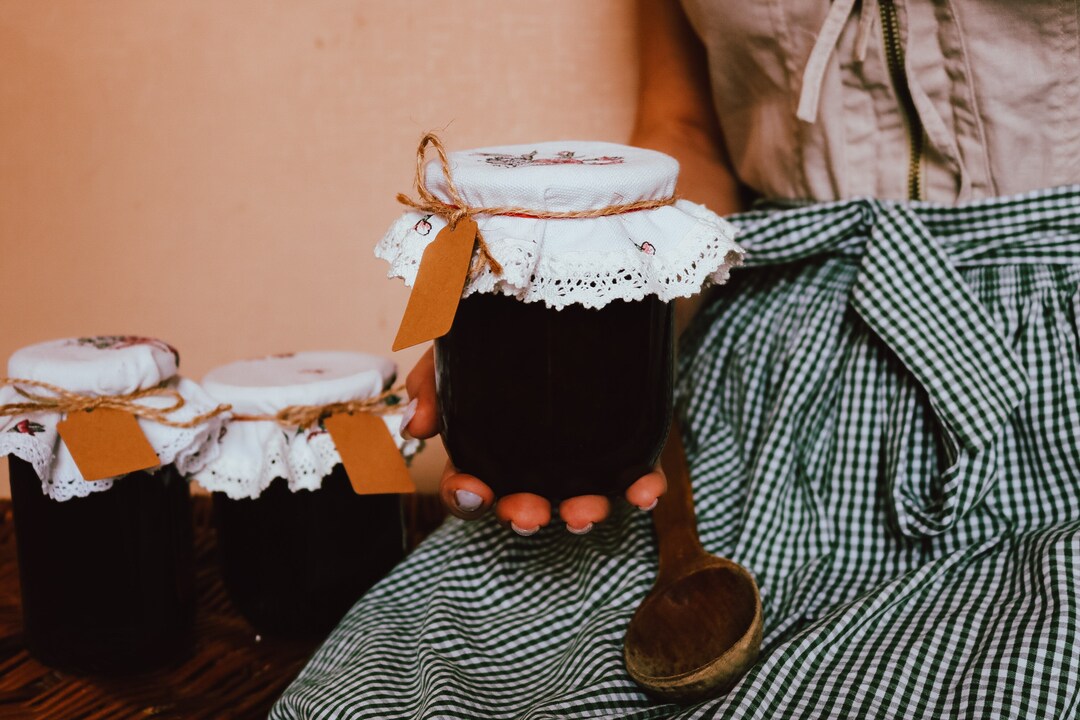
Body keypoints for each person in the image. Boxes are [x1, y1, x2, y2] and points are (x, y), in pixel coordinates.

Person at [273, 1, 1080, 717]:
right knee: (414, 679)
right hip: (773, 352)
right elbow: (686, 131)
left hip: (1054, 353)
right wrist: (586, 327)